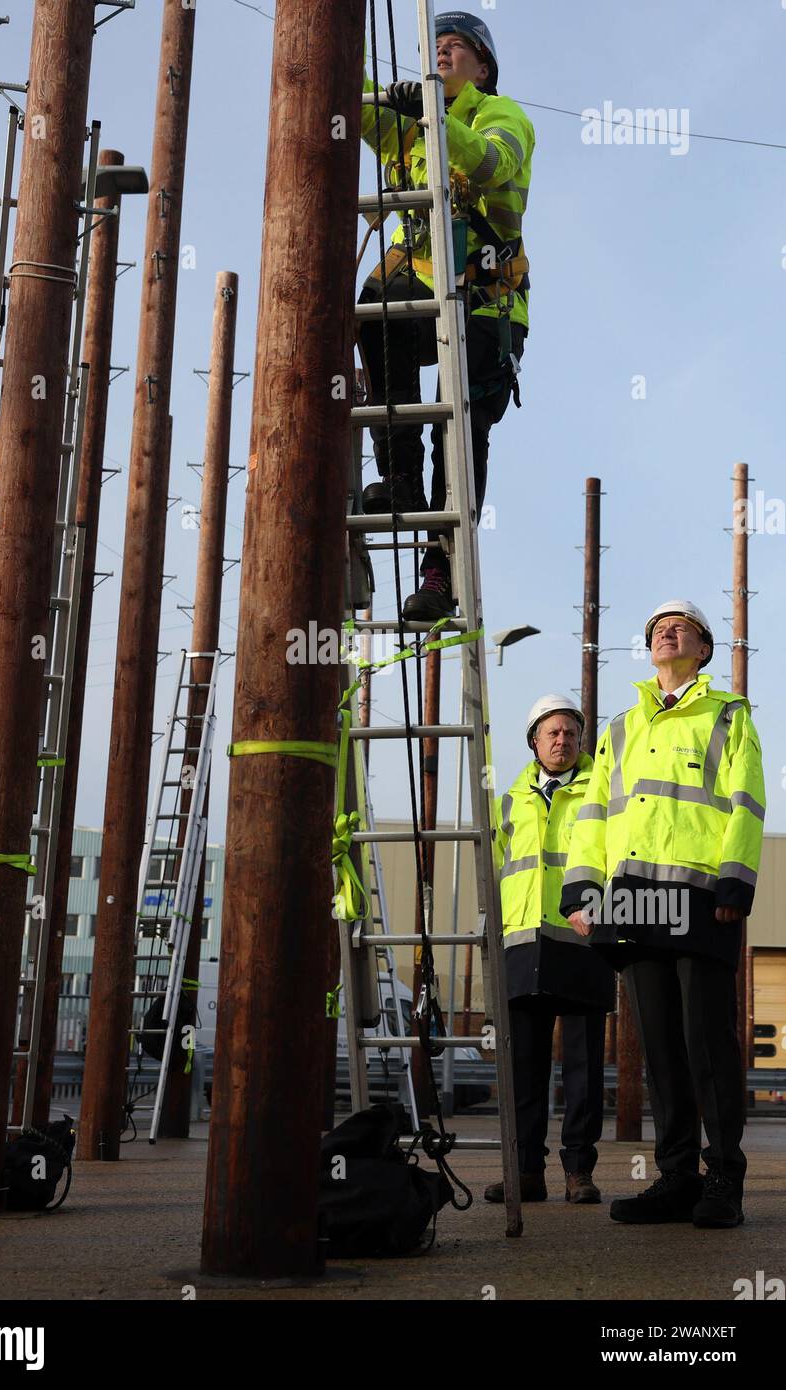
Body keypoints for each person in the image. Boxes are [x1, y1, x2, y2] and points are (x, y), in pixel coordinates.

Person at [560, 601, 765, 1228]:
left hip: (701, 897)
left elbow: (747, 798)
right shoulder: (622, 726)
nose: (665, 632)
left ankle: (723, 1177)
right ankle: (676, 1177)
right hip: (631, 899)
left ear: (703, 649)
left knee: (707, 1043)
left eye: (680, 627)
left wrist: (735, 880)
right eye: (655, 628)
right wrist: (579, 890)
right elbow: (594, 811)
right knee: (658, 1048)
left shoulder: (728, 714)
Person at [359, 12, 534, 621]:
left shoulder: (502, 114)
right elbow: (349, 99)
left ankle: (441, 571)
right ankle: (399, 476)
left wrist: (431, 116)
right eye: (437, 45)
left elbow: (493, 164)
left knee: (457, 430)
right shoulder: (407, 122)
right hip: (429, 286)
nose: (442, 52)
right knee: (374, 313)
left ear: (482, 66)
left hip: (489, 303)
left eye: (457, 47)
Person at [484, 696, 615, 1207]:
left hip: (584, 941)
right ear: (534, 742)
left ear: (582, 741)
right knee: (525, 1068)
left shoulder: (600, 789)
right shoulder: (511, 800)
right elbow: (495, 872)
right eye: (552, 733)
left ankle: (578, 1172)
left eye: (570, 733)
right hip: (522, 944)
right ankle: (526, 1174)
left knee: (583, 1070)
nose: (562, 740)